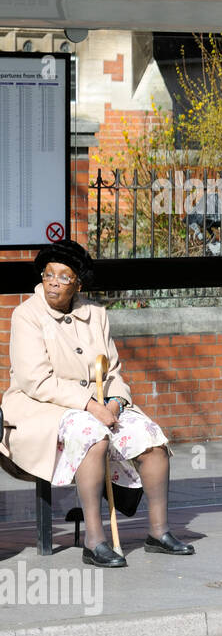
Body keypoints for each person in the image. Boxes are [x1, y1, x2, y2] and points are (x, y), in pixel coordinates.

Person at [0, 240, 194, 567]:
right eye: (49, 275)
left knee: (152, 440)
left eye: (63, 277)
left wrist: (116, 403)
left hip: (101, 404)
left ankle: (158, 532)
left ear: (78, 282)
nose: (53, 283)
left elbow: (113, 370)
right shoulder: (27, 315)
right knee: (91, 436)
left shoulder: (96, 314)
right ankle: (95, 539)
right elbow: (36, 380)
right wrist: (91, 406)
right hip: (41, 408)